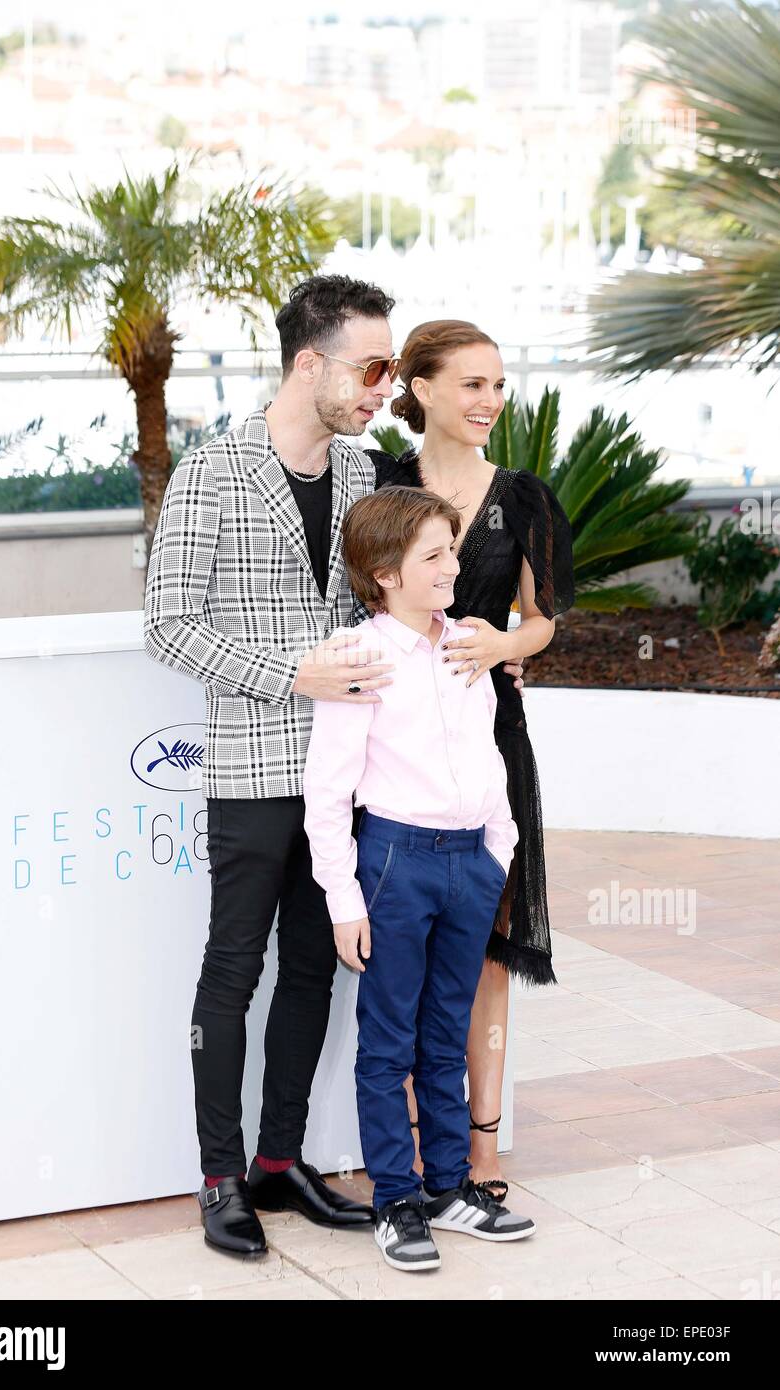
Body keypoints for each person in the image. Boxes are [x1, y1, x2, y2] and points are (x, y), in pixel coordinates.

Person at [143, 275, 405, 1257]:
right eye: (371, 367)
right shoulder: (212, 474)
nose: (382, 386)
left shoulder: (367, 469)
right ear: (310, 363)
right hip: (252, 767)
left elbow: (382, 606)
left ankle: (279, 1161)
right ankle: (219, 1178)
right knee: (233, 970)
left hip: (343, 775)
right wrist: (289, 672)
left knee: (312, 971)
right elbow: (169, 628)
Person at [365, 320, 575, 1201]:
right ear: (420, 390)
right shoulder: (377, 483)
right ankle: (414, 1155)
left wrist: (503, 645)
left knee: (487, 957)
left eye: (498, 385)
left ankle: (480, 1154)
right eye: (472, 384)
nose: (490, 401)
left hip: (494, 740)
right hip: (396, 744)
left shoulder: (525, 498)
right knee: (404, 953)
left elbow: (545, 621)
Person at [303, 485, 536, 1271]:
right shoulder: (360, 659)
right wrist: (344, 901)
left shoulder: (468, 641)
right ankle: (396, 1201)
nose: (453, 566)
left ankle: (447, 1187)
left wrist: (498, 848)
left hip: (472, 858)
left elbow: (486, 752)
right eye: (433, 555)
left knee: (446, 1033)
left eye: (453, 549)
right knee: (389, 1038)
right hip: (397, 862)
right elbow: (329, 793)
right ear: (384, 574)